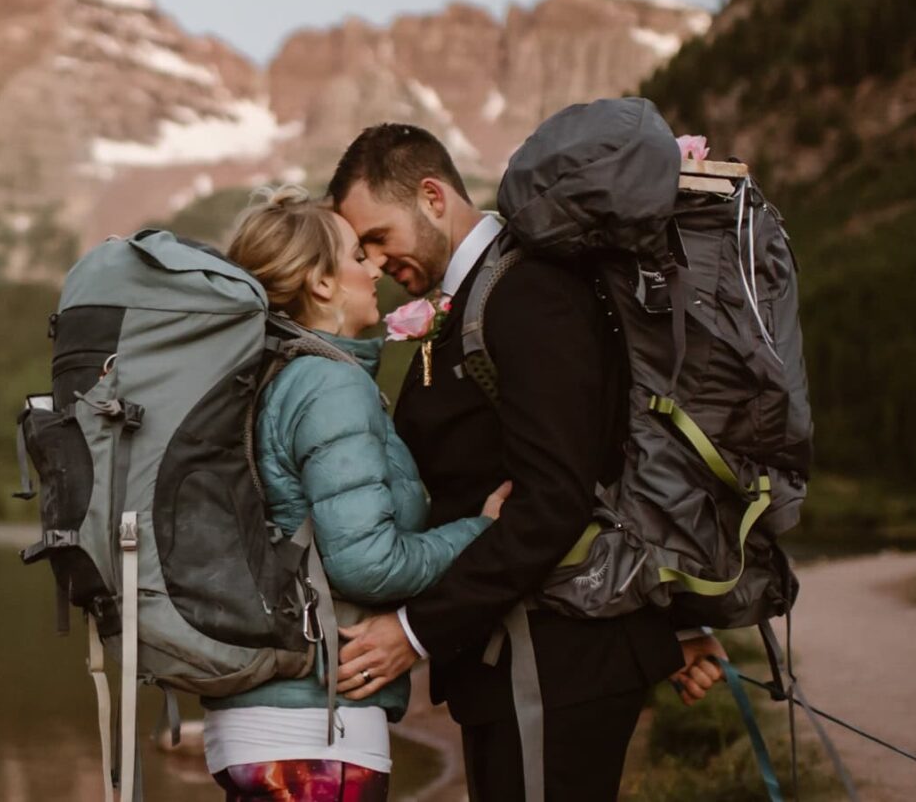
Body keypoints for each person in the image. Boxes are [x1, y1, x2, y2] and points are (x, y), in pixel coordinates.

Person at [326, 124, 727, 801]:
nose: (371, 262)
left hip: (552, 657)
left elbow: (554, 501)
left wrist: (413, 633)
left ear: (431, 197)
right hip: (518, 662)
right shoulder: (482, 299)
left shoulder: (526, 292)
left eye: (376, 237)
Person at [203, 186, 514, 802]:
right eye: (355, 255)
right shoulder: (327, 386)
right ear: (321, 284)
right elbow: (365, 564)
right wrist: (483, 530)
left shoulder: (278, 376)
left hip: (271, 723)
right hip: (313, 730)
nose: (374, 268)